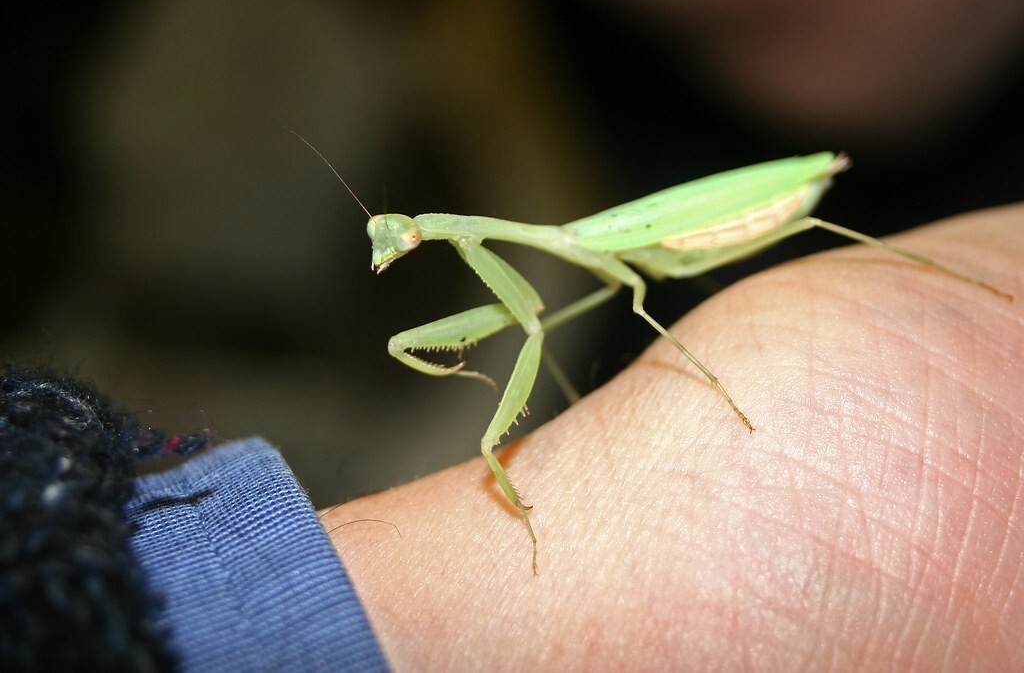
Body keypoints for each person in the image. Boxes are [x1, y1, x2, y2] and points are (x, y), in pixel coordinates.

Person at [9, 201, 1015, 670]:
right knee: (546, 323)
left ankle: (956, 283)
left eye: (398, 234)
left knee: (780, 243)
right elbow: (530, 320)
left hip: (739, 209)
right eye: (393, 239)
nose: (393, 248)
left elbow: (557, 308)